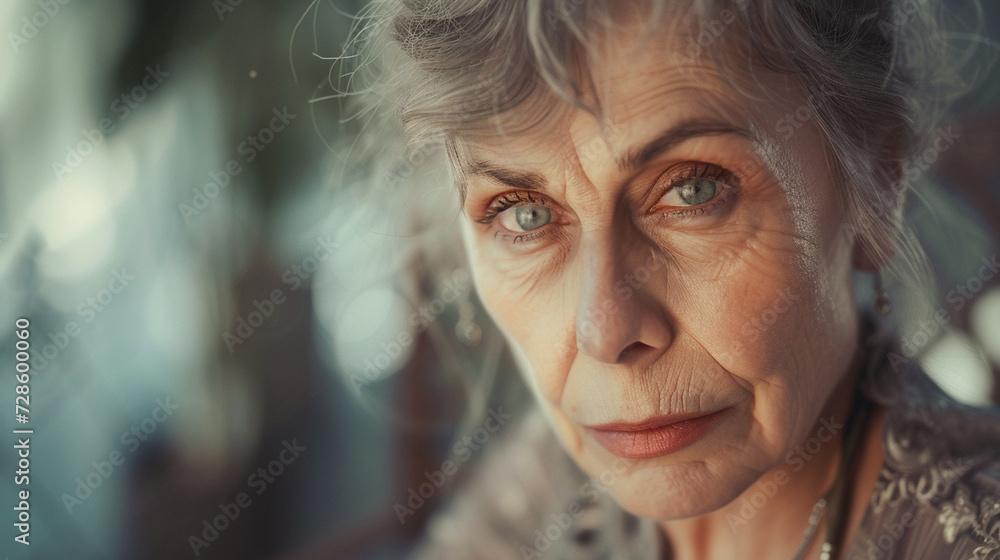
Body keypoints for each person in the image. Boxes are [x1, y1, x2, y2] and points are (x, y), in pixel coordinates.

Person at [335, 0, 1000, 558]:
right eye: (525, 213)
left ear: (877, 186)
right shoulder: (544, 490)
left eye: (693, 191)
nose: (605, 331)